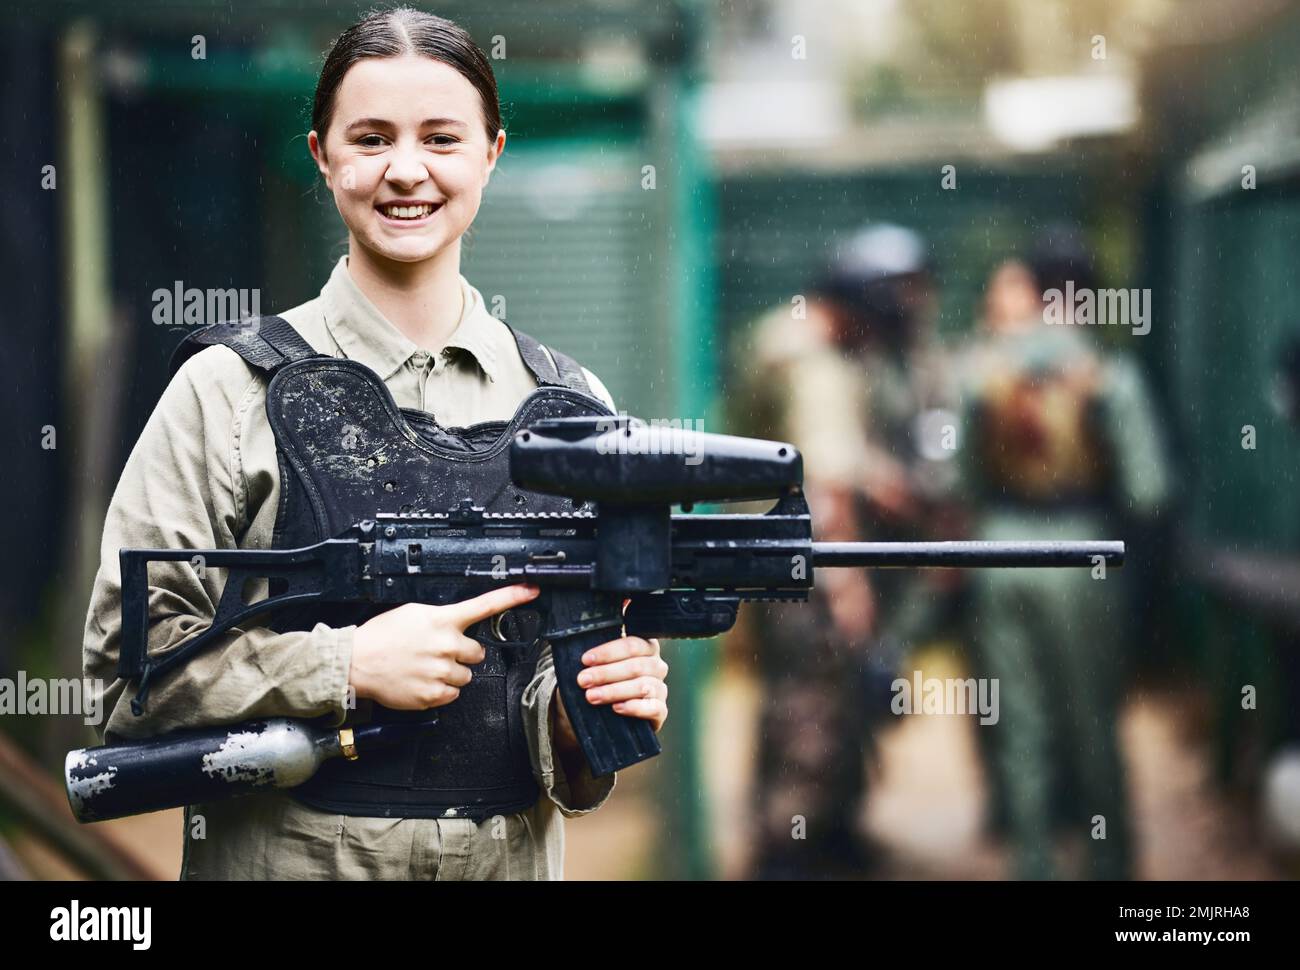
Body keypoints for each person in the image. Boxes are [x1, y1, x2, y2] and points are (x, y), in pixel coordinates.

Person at [81, 7, 668, 881]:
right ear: (322, 156)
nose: (406, 171)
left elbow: (569, 749)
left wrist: (589, 716)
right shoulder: (230, 390)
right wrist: (344, 664)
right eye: (370, 138)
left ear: (491, 154)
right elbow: (120, 680)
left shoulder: (575, 410)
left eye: (441, 137)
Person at [958, 233, 1168, 880]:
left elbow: (961, 482)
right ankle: (1109, 866)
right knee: (1092, 722)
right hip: (1082, 555)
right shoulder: (1108, 374)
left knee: (1019, 728)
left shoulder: (982, 372)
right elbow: (1147, 490)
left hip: (999, 556)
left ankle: (1035, 863)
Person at [729, 254, 879, 879]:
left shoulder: (771, 340)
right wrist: (846, 584)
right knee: (812, 702)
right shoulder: (817, 362)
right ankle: (792, 849)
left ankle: (784, 834)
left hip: (757, 547)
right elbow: (827, 486)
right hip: (805, 559)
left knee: (783, 696)